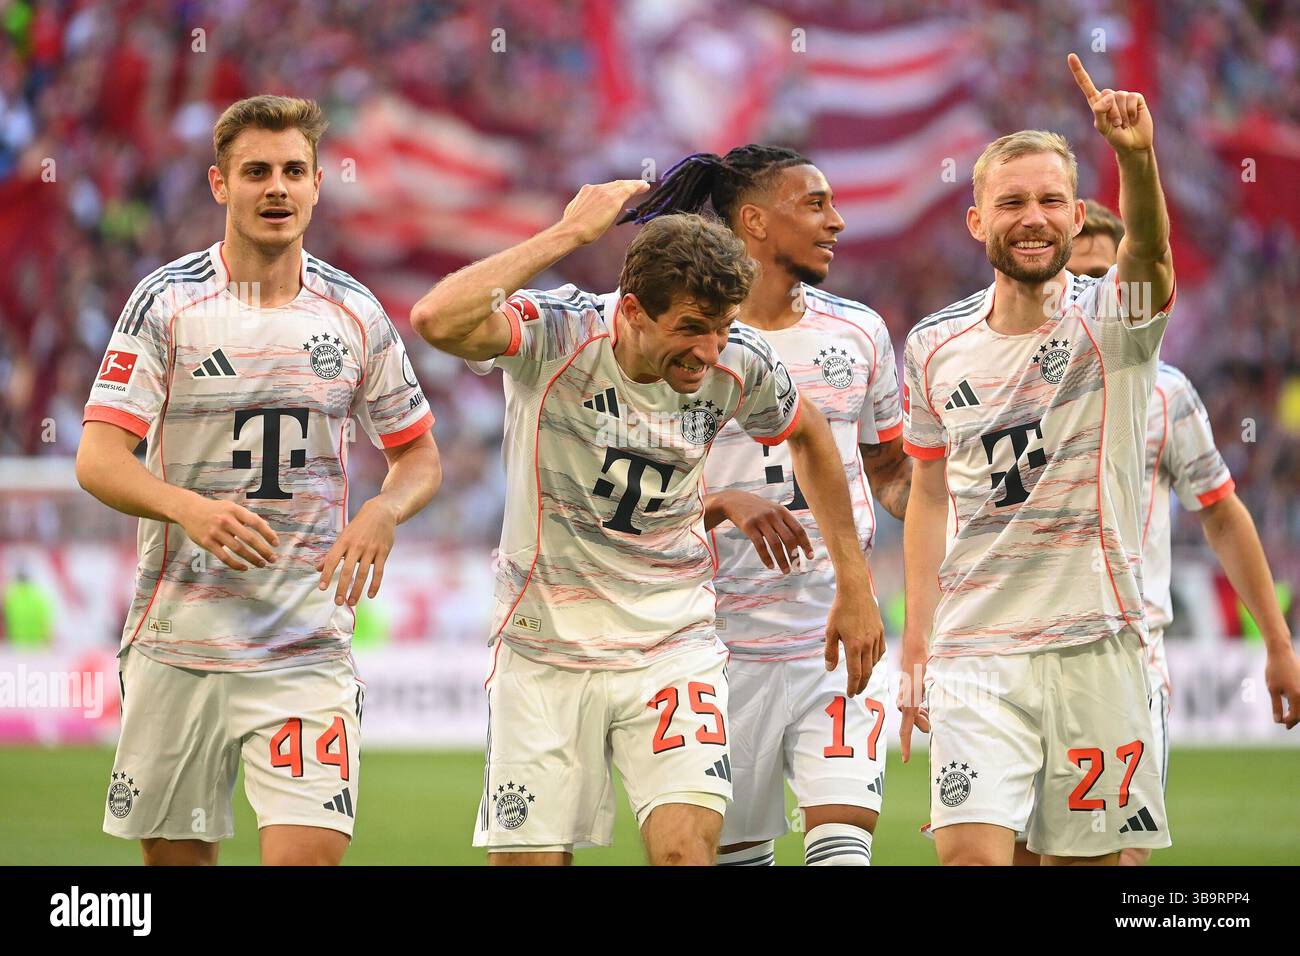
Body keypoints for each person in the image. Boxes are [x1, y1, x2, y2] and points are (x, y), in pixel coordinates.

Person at [410, 182, 881, 866]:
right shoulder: (558, 333)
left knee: (686, 855)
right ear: (631, 310)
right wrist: (569, 233)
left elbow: (809, 433)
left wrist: (854, 582)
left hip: (671, 640)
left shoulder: (738, 360)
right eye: (692, 328)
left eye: (722, 326)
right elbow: (435, 318)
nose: (711, 351)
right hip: (545, 649)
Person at [76, 95, 441, 866]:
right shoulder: (167, 303)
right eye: (256, 172)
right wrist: (188, 509)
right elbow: (99, 458)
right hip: (180, 642)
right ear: (220, 185)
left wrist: (385, 508)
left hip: (303, 646)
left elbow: (419, 456)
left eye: (293, 171)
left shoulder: (355, 313)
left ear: (315, 187)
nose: (276, 187)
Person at [899, 55, 1175, 865]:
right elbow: (925, 491)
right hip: (977, 646)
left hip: (1098, 641)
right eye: (1011, 201)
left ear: (1077, 212)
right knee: (971, 856)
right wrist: (917, 636)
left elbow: (1152, 257)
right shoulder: (933, 347)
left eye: (1051, 200)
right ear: (977, 221)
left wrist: (1136, 156)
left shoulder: (1112, 322)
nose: (1033, 217)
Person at [620, 145, 906, 866]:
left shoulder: (860, 333)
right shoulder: (675, 343)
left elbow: (891, 472)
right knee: (736, 855)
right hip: (712, 644)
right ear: (753, 221)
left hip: (831, 632)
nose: (836, 222)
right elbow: (633, 496)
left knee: (844, 850)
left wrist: (961, 506)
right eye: (814, 205)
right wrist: (721, 500)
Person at [1010, 200, 1300, 866]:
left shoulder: (1165, 394)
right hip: (1014, 656)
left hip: (1126, 657)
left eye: (1101, 278)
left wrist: (1279, 645)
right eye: (1072, 276)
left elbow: (1223, 512)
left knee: (1116, 861)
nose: (1084, 294)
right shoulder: (999, 380)